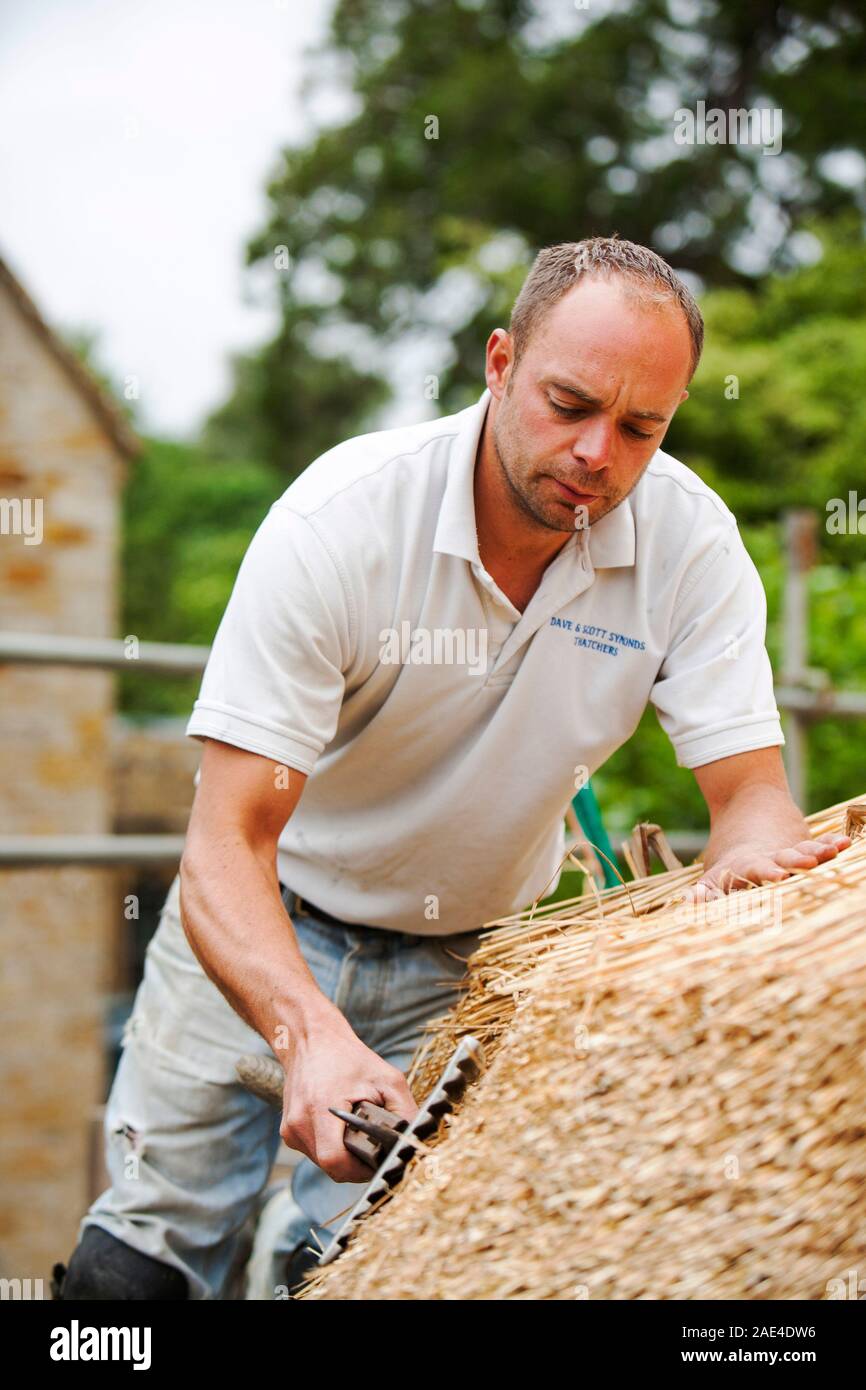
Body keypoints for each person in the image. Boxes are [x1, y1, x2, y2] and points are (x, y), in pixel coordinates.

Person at [56, 236, 848, 1300]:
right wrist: (307, 1035)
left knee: (370, 1277)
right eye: (568, 403)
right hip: (258, 927)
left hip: (468, 968)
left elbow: (750, 796)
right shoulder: (340, 525)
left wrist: (752, 866)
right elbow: (224, 843)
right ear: (498, 362)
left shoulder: (689, 547)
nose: (596, 453)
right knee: (128, 1279)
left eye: (640, 427)